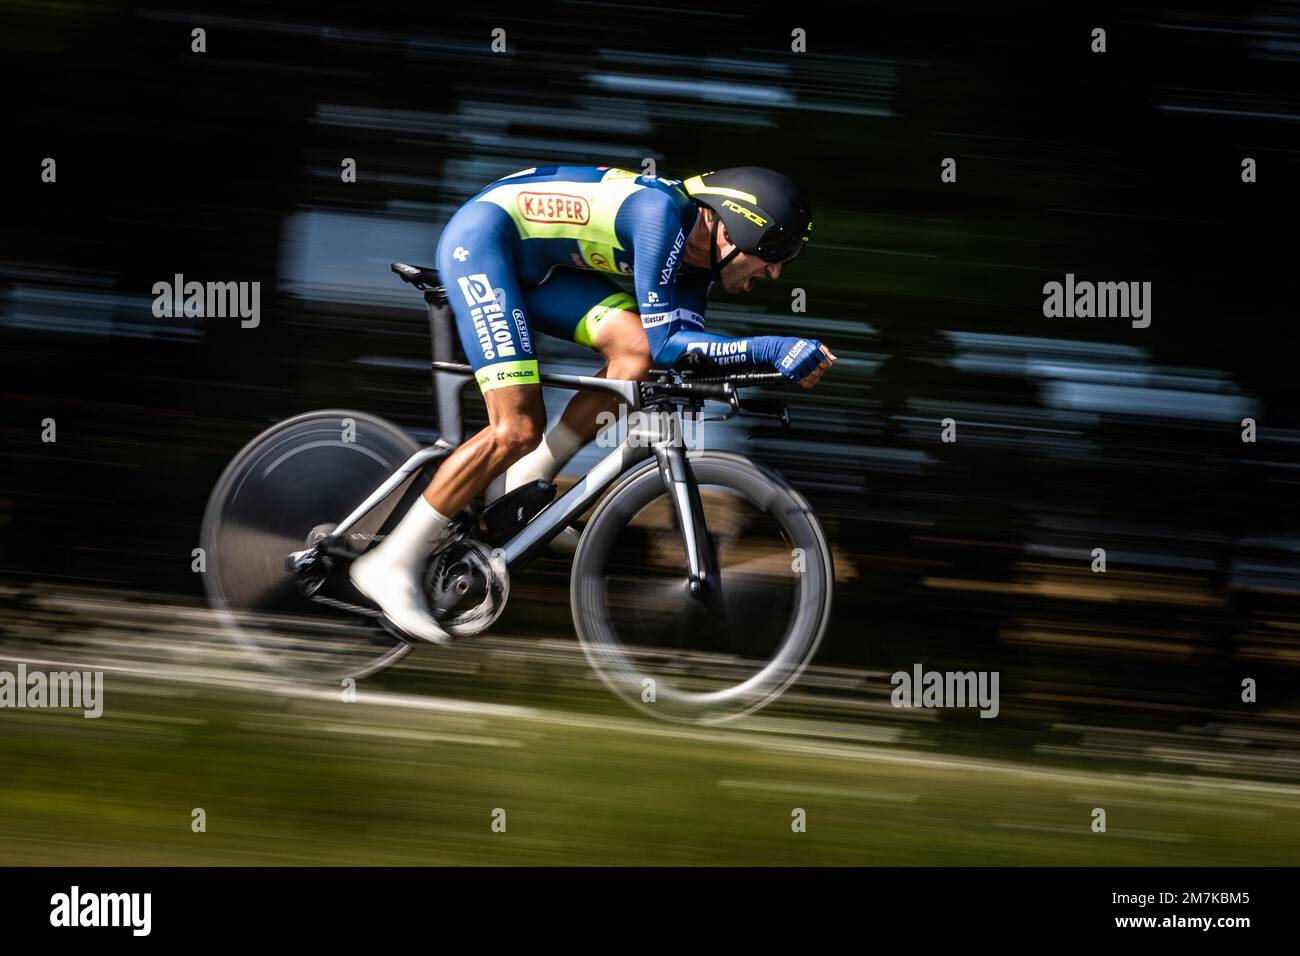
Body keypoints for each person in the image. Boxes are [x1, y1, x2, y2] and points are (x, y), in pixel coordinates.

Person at [351, 164, 836, 642]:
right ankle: (389, 563)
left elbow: (675, 352)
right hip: (483, 240)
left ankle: (524, 477)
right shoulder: (660, 215)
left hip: (536, 266)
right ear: (733, 226)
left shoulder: (698, 262)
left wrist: (766, 366)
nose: (775, 271)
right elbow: (674, 343)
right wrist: (771, 347)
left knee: (637, 353)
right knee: (516, 427)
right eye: (775, 251)